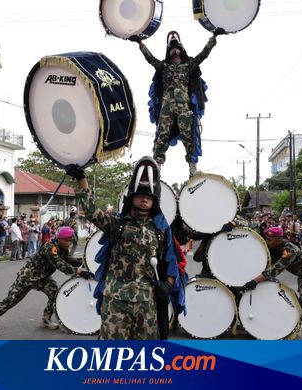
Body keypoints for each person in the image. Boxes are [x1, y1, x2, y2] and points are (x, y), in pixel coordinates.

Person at [70, 157, 184, 340]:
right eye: (140, 196)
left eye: (149, 198)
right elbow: (91, 211)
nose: (145, 201)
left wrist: (168, 286)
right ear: (131, 198)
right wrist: (81, 178)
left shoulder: (161, 230)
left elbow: (171, 260)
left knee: (145, 358)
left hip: (146, 302)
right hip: (115, 300)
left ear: (155, 202)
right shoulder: (116, 224)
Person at [130, 30, 224, 177]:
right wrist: (140, 44)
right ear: (169, 51)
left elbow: (203, 55)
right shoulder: (164, 67)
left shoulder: (188, 65)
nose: (174, 50)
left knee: (189, 138)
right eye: (172, 48)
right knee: (161, 137)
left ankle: (192, 169)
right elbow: (150, 59)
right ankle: (157, 168)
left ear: (181, 49)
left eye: (177, 47)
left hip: (184, 108)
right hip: (166, 108)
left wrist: (213, 38)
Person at [0, 226, 92, 332]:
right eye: (67, 240)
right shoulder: (50, 247)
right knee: (13, 299)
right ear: (59, 239)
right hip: (28, 277)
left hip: (42, 278)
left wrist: (85, 261)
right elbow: (60, 264)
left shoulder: (62, 248)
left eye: (70, 240)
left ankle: (46, 320)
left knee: (55, 293)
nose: (69, 243)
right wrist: (80, 272)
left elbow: (67, 259)